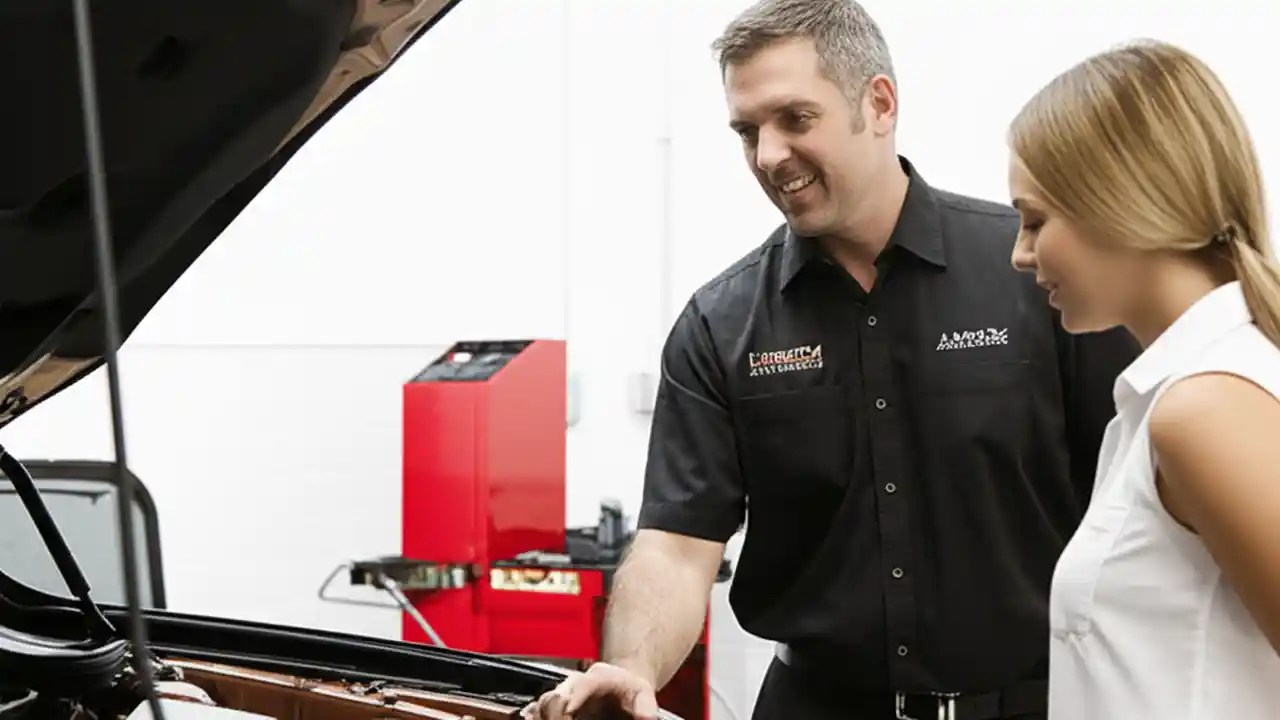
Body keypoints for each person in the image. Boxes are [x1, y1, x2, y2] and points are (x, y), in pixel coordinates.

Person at [525, 2, 1138, 719]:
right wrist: (632, 668)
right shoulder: (720, 324)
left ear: (879, 104)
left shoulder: (1035, 275)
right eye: (747, 131)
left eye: (795, 118)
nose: (767, 155)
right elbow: (678, 545)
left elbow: (1134, 503)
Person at [1005, 39, 1280, 719]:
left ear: (1119, 201)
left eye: (1035, 220)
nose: (1019, 253)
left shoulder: (1204, 406)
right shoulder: (1174, 396)